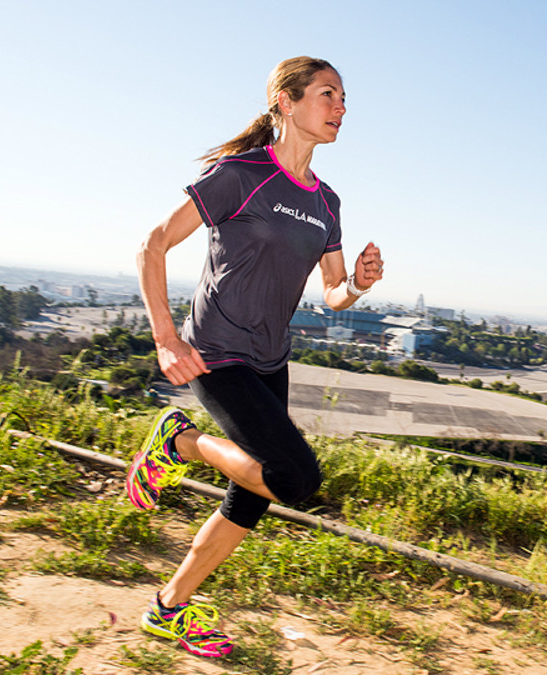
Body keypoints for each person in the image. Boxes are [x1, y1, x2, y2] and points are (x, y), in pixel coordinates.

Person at [127, 56, 383, 658]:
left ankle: (169, 609)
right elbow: (153, 243)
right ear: (287, 104)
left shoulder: (328, 203)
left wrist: (361, 286)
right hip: (216, 350)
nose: (341, 107)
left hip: (271, 357)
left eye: (344, 98)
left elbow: (333, 293)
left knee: (254, 493)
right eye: (329, 94)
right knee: (297, 479)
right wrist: (167, 338)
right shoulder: (241, 175)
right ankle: (180, 442)